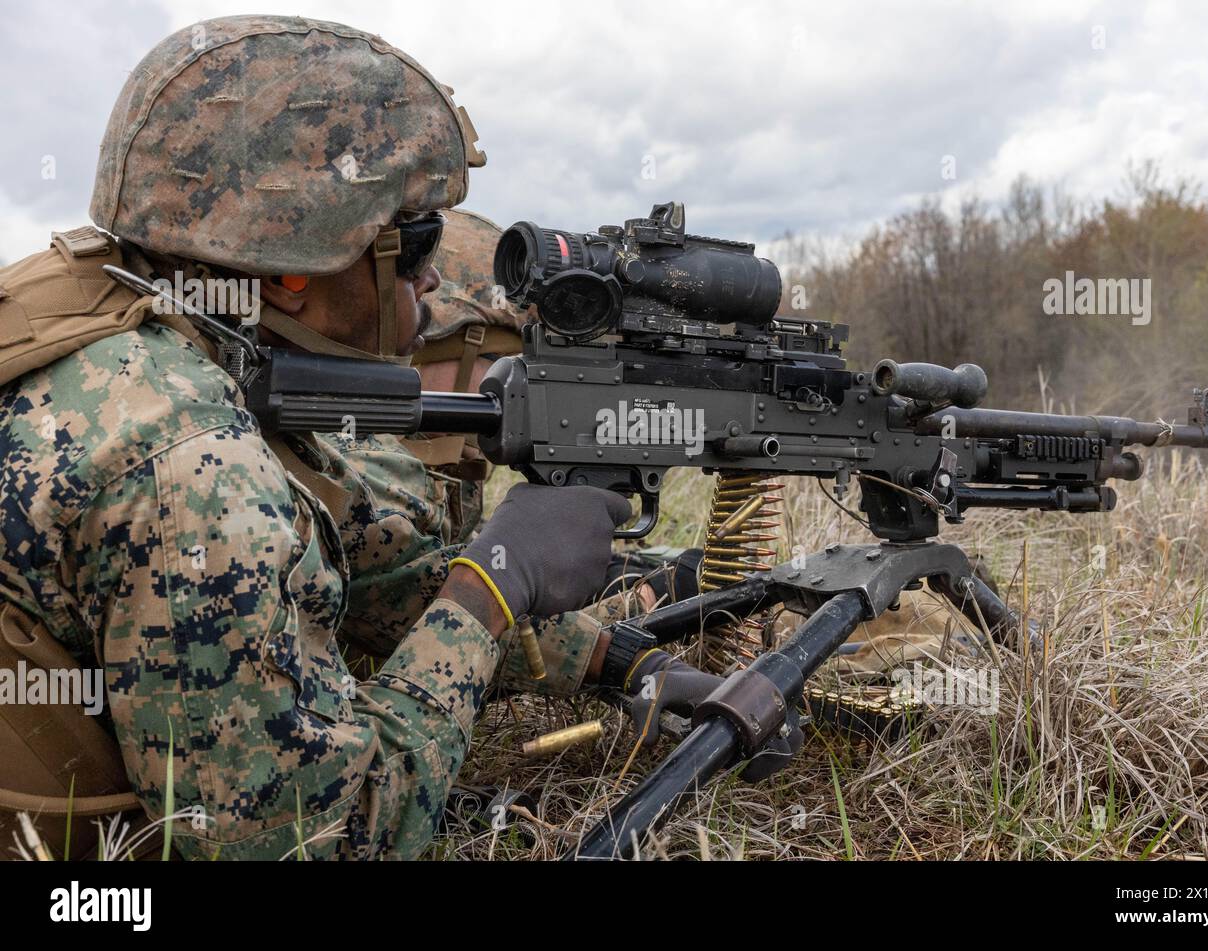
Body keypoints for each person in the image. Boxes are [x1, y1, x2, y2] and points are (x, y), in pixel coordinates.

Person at [0, 15, 795, 860]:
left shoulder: (131, 315)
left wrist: (614, 659)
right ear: (289, 269)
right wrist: (496, 584)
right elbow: (315, 840)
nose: (433, 274)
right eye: (411, 239)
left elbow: (374, 568)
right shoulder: (188, 459)